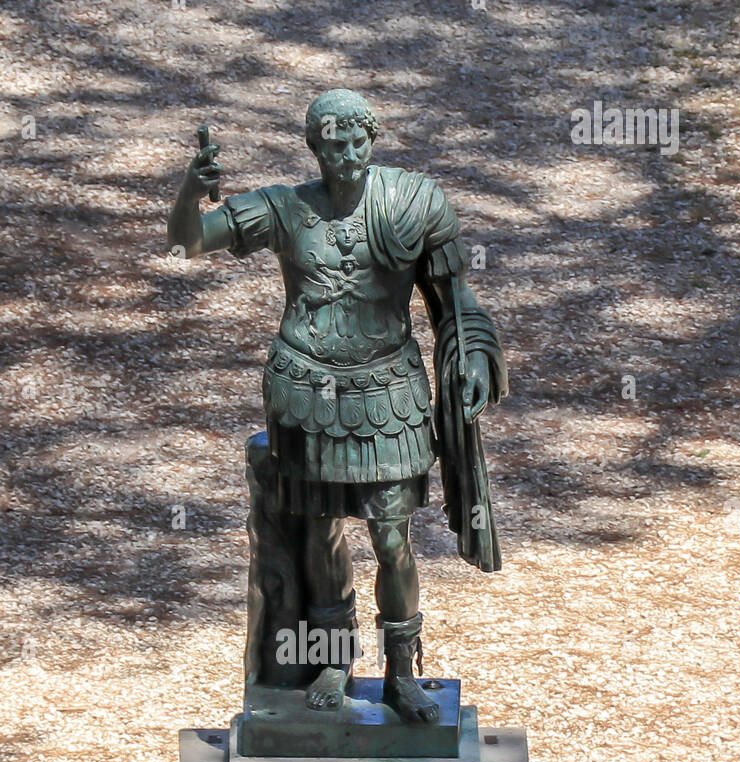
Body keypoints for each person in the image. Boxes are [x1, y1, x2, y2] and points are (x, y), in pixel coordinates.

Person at [168, 89, 506, 724]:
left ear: (372, 140)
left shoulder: (413, 202)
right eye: (333, 146)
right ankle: (333, 660)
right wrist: (192, 191)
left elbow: (456, 297)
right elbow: (189, 242)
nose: (348, 157)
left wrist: (476, 355)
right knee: (319, 535)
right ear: (314, 149)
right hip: (306, 394)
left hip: (388, 394)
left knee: (391, 536)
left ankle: (403, 672)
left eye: (358, 143)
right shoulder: (286, 208)